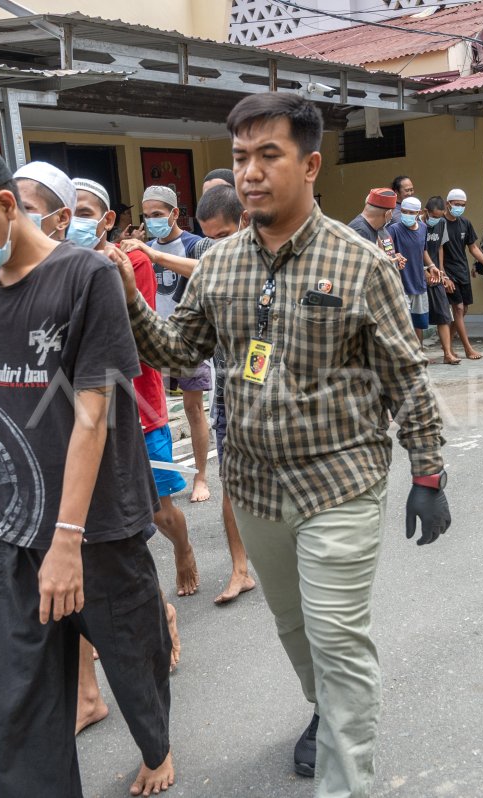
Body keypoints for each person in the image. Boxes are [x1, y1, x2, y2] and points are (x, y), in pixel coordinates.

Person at [116, 92, 451, 797]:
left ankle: (345, 776)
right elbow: (183, 349)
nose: (251, 173)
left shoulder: (361, 263)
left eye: (269, 155)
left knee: (336, 639)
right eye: (241, 157)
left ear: (310, 164)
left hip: (340, 484)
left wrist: (428, 473)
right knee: (297, 633)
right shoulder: (217, 265)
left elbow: (406, 374)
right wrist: (131, 300)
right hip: (258, 491)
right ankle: (324, 709)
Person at [0, 135, 174, 798]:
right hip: (9, 523)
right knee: (18, 700)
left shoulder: (86, 277)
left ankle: (156, 747)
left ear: (6, 205)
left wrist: (67, 540)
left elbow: (90, 414)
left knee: (134, 660)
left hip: (97, 526)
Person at [68, 177, 184, 742]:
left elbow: (136, 339)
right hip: (72, 427)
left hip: (130, 415)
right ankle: (88, 693)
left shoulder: (123, 264)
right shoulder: (50, 265)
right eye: (66, 212)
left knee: (142, 533)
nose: (72, 221)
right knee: (80, 556)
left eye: (84, 212)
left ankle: (165, 607)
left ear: (107, 217)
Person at [177, 183, 258, 605]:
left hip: (279, 396)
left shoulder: (272, 256)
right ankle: (240, 569)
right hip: (230, 390)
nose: (213, 247)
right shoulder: (211, 256)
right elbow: (185, 331)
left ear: (244, 220)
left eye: (222, 237)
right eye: (207, 238)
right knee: (232, 482)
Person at [130, 185, 212, 503]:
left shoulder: (193, 245)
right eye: (147, 216)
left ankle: (202, 477)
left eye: (158, 215)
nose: (152, 221)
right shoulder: (143, 248)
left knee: (193, 410)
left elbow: (208, 274)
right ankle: (163, 476)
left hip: (188, 341)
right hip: (152, 341)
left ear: (175, 213)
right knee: (156, 409)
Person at [442, 188, 483, 359]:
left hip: (462, 271)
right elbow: (437, 251)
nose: (459, 207)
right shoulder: (439, 224)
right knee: (458, 309)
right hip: (448, 272)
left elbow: (473, 247)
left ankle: (448, 348)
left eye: (463, 205)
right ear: (448, 204)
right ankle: (468, 348)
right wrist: (443, 275)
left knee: (463, 309)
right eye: (457, 204)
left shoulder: (465, 223)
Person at [386, 195, 437, 347]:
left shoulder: (423, 228)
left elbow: (423, 251)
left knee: (418, 324)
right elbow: (388, 252)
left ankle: (419, 353)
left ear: (418, 213)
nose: (407, 215)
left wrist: (432, 267)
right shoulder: (393, 229)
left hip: (418, 283)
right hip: (401, 284)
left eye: (411, 212)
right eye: (404, 211)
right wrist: (395, 255)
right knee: (403, 323)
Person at [423, 196, 460, 365]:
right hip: (421, 274)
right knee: (419, 316)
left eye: (440, 216)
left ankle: (447, 353)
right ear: (426, 212)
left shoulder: (442, 224)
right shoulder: (418, 226)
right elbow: (417, 250)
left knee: (444, 315)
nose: (436, 220)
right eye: (434, 216)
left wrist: (442, 272)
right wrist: (424, 272)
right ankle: (419, 354)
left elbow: (439, 247)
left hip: (436, 273)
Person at [14, 161, 75, 241]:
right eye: (9, 206)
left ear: (62, 218)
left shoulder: (80, 254)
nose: (12, 214)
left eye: (25, 208)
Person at [347, 188, 404, 271]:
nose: (392, 216)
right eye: (392, 213)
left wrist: (388, 261)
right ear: (388, 213)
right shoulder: (360, 231)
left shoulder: (373, 228)